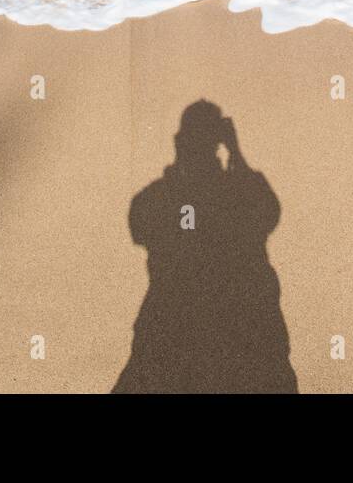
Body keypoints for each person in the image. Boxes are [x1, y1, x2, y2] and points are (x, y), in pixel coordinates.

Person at [113, 100, 298, 393]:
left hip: (235, 336)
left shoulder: (231, 193)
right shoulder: (168, 197)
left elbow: (267, 212)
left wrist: (235, 158)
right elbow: (140, 223)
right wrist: (232, 158)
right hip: (183, 337)